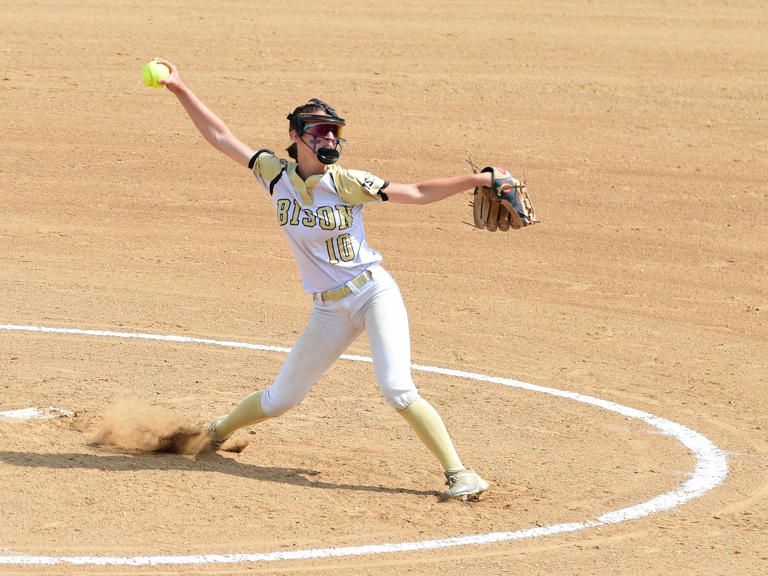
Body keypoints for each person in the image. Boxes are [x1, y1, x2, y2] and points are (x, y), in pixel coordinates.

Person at [154, 58, 502, 501]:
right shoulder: (274, 174)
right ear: (297, 138)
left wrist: (477, 178)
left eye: (335, 132)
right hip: (327, 308)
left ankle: (460, 472)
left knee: (396, 387)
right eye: (320, 132)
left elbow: (415, 193)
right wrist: (181, 88)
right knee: (281, 400)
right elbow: (222, 136)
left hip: (373, 292)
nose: (330, 139)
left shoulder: (347, 182)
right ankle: (215, 432)